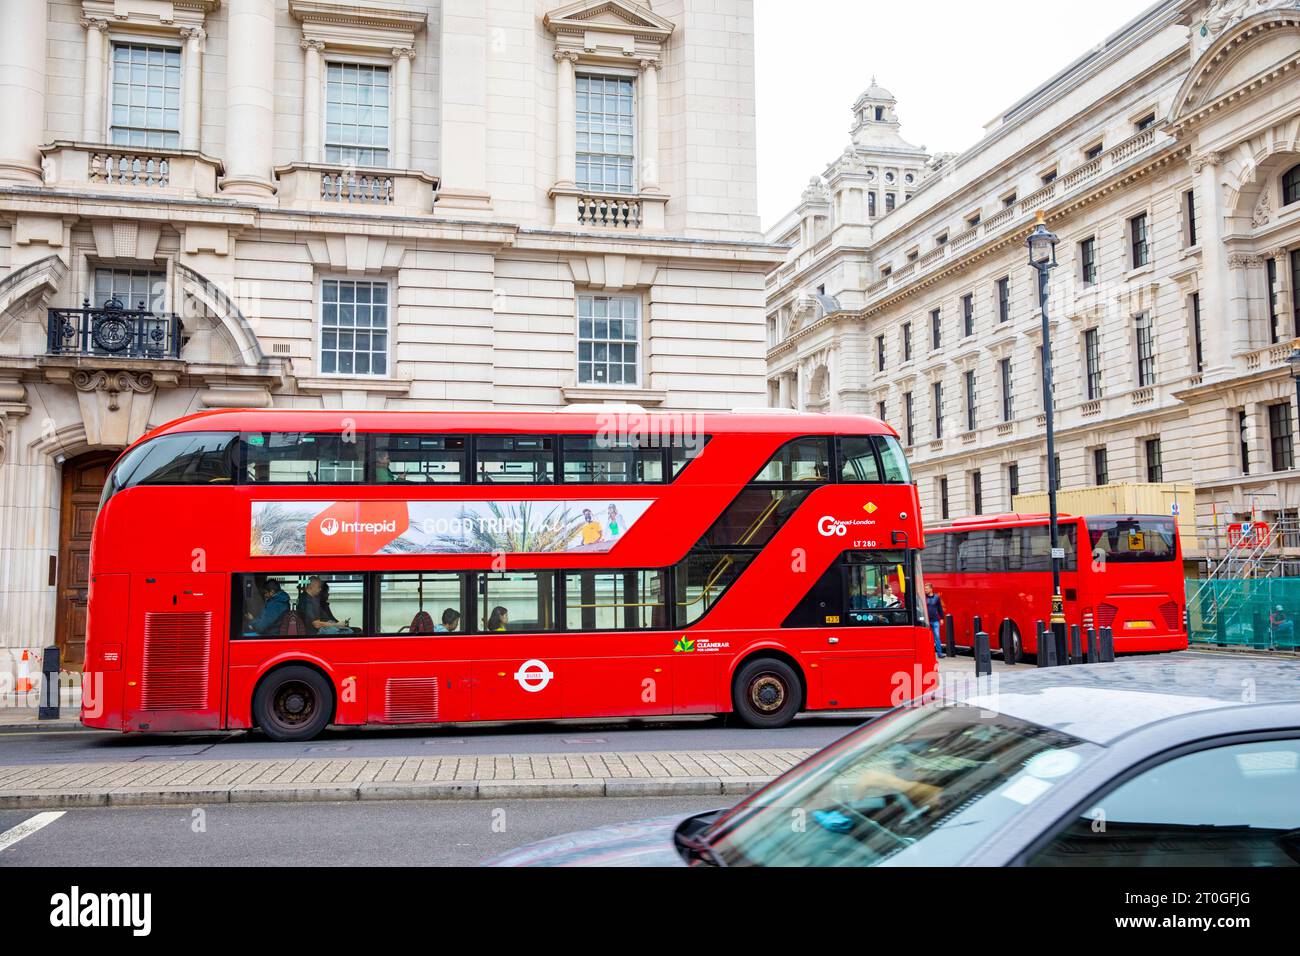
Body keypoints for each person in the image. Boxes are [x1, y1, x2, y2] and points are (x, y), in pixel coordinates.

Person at [925, 583, 945, 659]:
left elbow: (940, 608)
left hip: (935, 620)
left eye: (927, 588)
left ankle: (939, 654)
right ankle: (928, 653)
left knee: (937, 637)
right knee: (927, 638)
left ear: (931, 589)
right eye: (925, 588)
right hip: (926, 621)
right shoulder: (924, 597)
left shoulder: (936, 597)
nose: (925, 590)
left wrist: (942, 618)